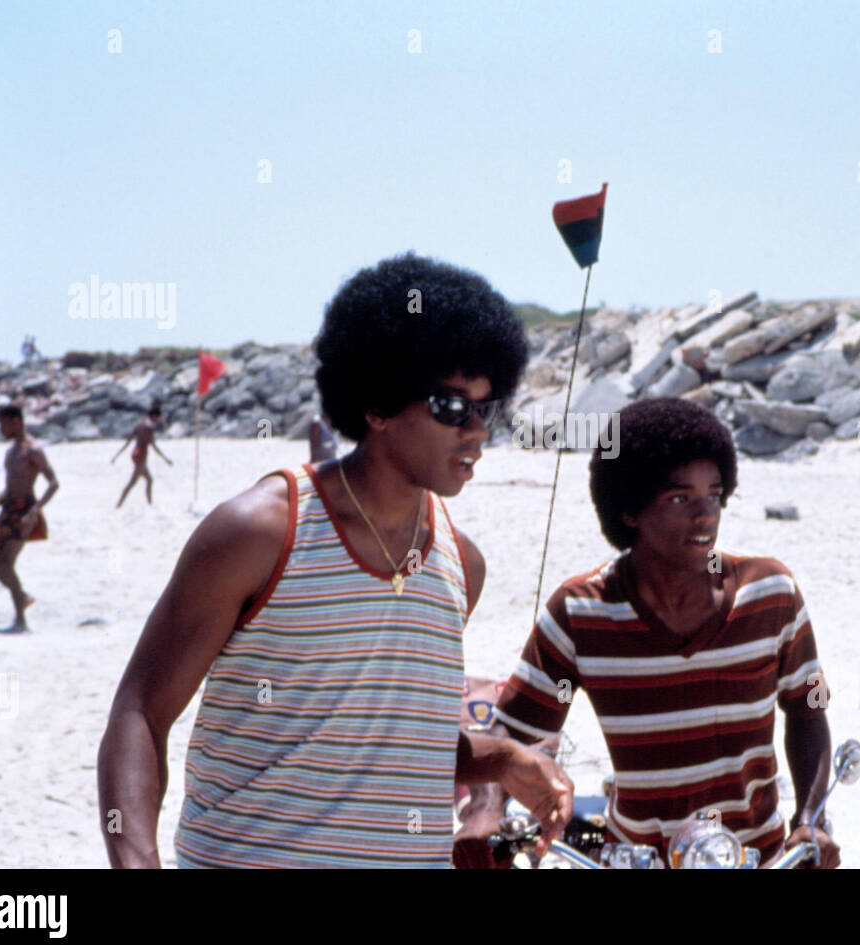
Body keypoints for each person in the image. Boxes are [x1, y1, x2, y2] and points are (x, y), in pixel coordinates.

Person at [97, 252, 572, 868]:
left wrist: (502, 759)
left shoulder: (462, 564)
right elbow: (139, 712)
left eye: (490, 407)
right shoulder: (260, 533)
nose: (478, 430)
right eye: (453, 406)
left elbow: (384, 737)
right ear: (376, 404)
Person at [467, 397, 840, 868]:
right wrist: (484, 812)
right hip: (635, 858)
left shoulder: (769, 593)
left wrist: (811, 820)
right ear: (629, 510)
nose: (706, 515)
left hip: (757, 858)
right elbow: (512, 735)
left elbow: (807, 713)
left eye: (715, 494)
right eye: (680, 498)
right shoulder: (582, 611)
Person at [0, 405, 60, 632]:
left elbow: (53, 483)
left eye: (3, 424)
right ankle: (22, 597)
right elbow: (9, 489)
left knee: (6, 564)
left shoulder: (33, 450)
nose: (0, 428)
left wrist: (35, 511)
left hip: (25, 513)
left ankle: (20, 618)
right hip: (7, 511)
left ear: (16, 422)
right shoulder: (10, 452)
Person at [111, 403, 172, 507]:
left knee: (149, 480)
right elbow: (153, 445)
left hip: (135, 454)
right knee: (133, 482)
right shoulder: (149, 427)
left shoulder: (140, 424)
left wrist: (116, 456)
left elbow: (128, 442)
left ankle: (149, 504)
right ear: (155, 416)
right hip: (141, 456)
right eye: (158, 418)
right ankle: (119, 504)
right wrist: (165, 459)